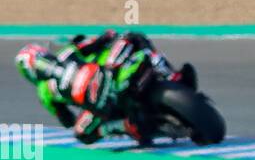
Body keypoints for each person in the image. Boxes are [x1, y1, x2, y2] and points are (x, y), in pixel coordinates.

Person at [17, 29, 196, 144]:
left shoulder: (44, 93)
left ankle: (127, 125)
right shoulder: (67, 52)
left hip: (101, 106)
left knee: (82, 133)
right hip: (113, 75)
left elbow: (67, 121)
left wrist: (80, 105)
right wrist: (109, 36)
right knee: (134, 37)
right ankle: (172, 75)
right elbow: (101, 40)